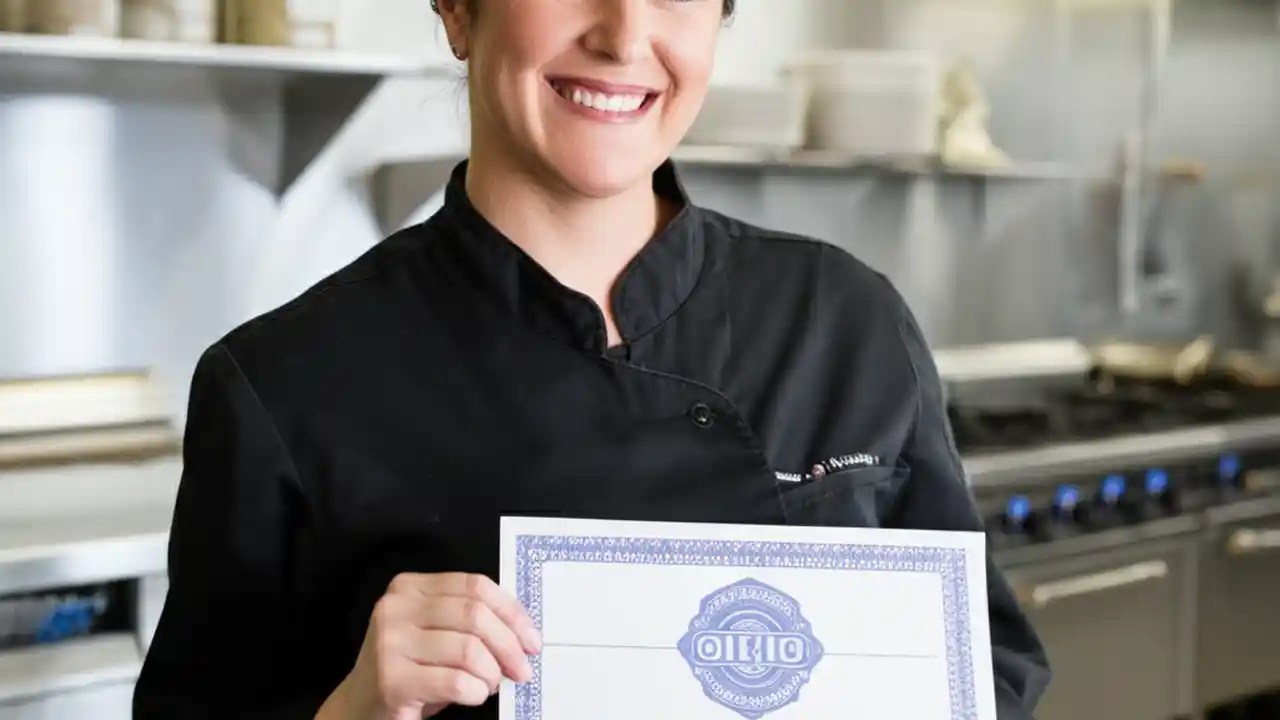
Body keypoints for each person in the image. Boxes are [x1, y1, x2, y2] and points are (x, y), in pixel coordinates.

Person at [132, 0, 1050, 718]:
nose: (624, 37)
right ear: (457, 11)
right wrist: (353, 711)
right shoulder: (286, 383)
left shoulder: (845, 318)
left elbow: (986, 666)